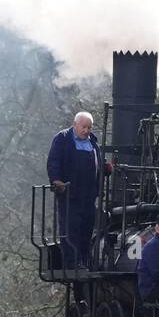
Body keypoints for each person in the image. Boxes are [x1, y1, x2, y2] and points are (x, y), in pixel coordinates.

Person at [46, 112, 108, 267]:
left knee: (86, 229)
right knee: (70, 229)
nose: (86, 130)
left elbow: (98, 165)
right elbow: (53, 160)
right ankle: (72, 263)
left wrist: (106, 169)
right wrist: (56, 180)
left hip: (89, 195)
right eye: (84, 127)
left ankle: (84, 260)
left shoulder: (93, 143)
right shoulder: (62, 139)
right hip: (69, 194)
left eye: (89, 127)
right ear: (75, 124)